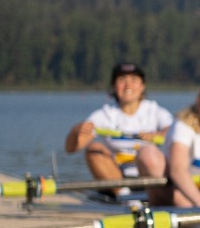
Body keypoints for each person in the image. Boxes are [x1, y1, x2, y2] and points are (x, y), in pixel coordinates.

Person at [63, 62, 174, 194]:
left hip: (149, 176)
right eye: (122, 80)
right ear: (114, 86)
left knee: (148, 152)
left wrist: (159, 135)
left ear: (142, 86)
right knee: (94, 149)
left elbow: (174, 133)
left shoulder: (155, 111)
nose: (128, 85)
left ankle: (157, 195)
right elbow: (72, 148)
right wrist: (76, 131)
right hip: (116, 176)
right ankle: (124, 196)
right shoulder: (104, 115)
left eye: (133, 80)